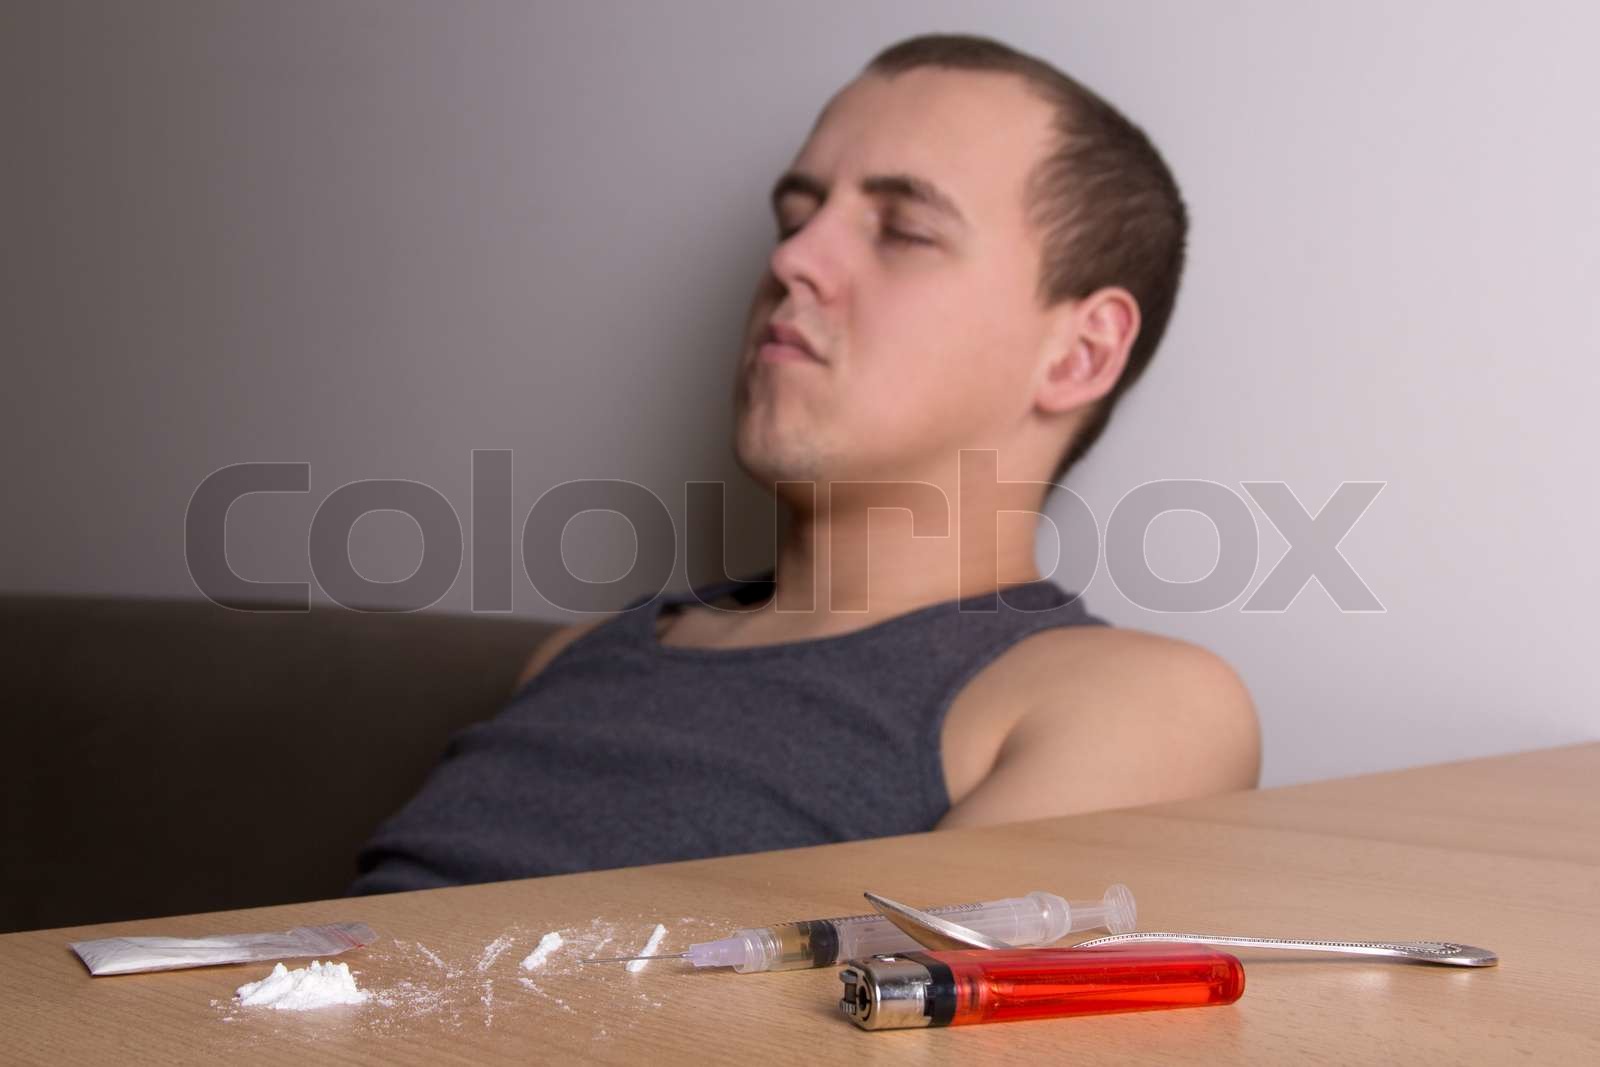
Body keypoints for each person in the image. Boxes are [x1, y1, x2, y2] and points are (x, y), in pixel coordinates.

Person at [346, 32, 1259, 896]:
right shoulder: (580, 654)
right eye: (796, 214)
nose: (792, 258)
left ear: (1078, 354)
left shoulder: (1130, 703)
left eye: (902, 229)